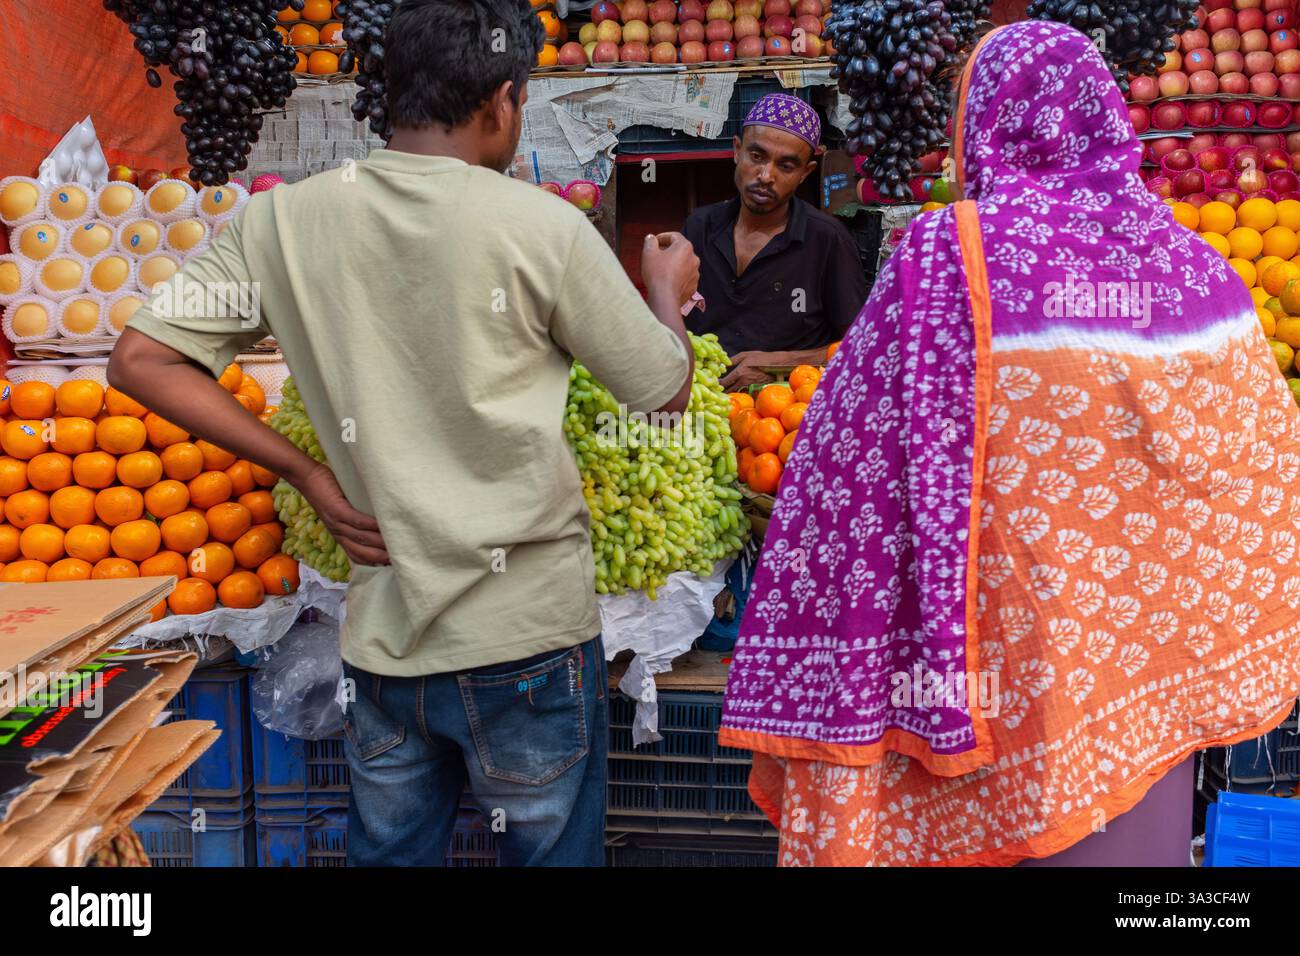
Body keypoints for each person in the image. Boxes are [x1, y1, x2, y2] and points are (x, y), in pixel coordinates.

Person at [108, 0, 700, 867]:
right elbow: (663, 394)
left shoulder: (283, 222)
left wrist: (306, 471)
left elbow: (140, 360)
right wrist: (664, 288)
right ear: (502, 100)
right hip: (529, 639)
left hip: (386, 643)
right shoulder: (544, 226)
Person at [717, 20, 1300, 866]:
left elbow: (848, 457)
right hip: (1143, 689)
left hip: (999, 681)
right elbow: (1262, 463)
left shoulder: (951, 255)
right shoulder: (1197, 268)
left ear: (982, 125)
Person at [682, 93, 867, 390]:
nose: (766, 175)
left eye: (786, 166)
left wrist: (775, 365)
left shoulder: (827, 241)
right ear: (737, 151)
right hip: (703, 402)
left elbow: (859, 345)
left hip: (782, 412)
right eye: (757, 157)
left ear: (805, 173)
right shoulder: (700, 227)